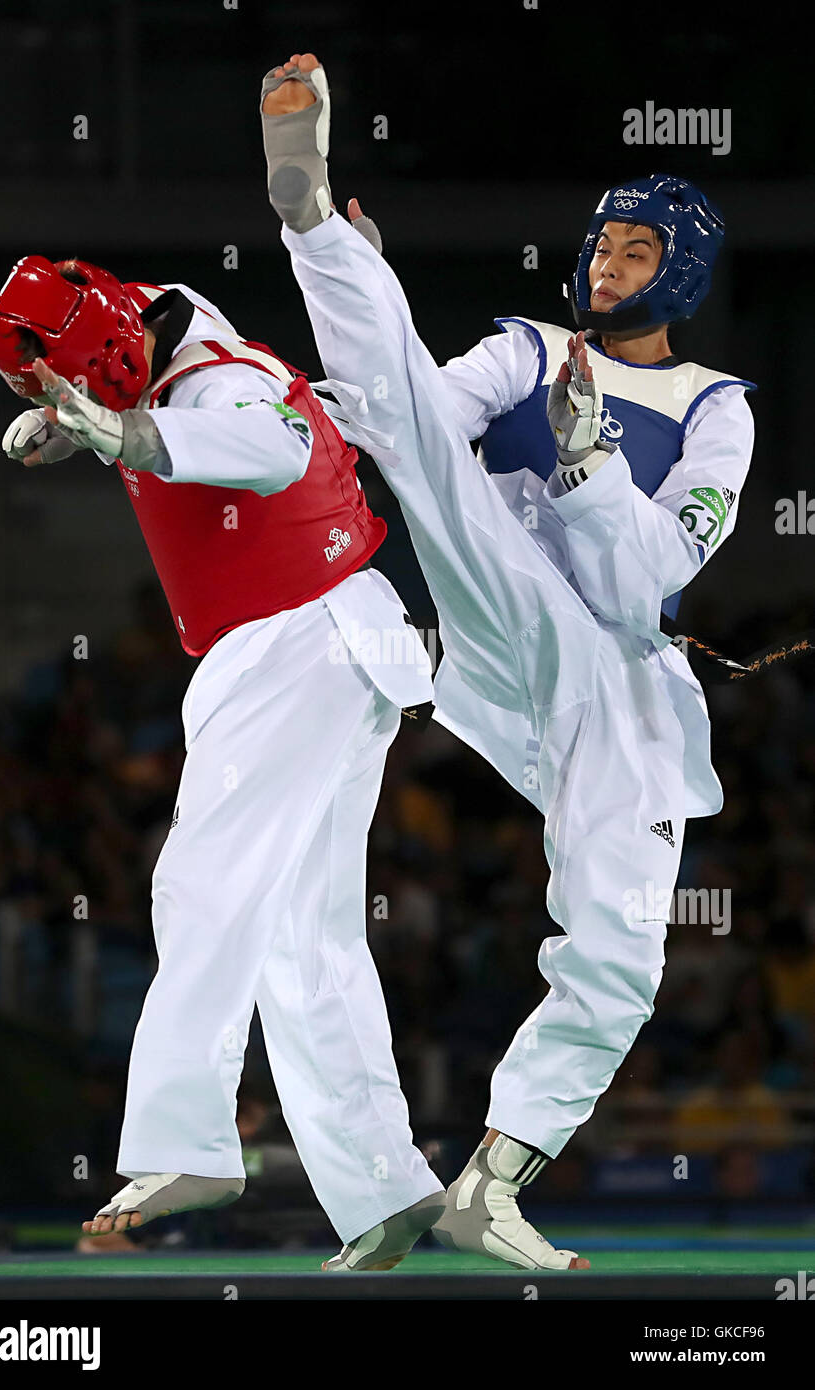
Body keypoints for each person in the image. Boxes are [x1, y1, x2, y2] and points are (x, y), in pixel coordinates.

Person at [260, 52, 756, 1270]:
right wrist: (350, 288)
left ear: (679, 270)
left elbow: (646, 578)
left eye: (634, 252)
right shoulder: (526, 351)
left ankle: (491, 1182)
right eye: (599, 245)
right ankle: (312, 222)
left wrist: (587, 473)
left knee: (622, 955)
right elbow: (408, 422)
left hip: (624, 687)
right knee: (422, 444)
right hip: (500, 626)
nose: (604, 264)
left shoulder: (714, 407)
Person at [0, 252, 447, 1268]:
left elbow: (276, 447)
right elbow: (137, 346)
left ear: (113, 362)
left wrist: (131, 433)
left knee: (201, 885)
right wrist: (79, 427)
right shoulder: (157, 323)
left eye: (72, 385)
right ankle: (384, 1187)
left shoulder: (217, 388)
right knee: (302, 938)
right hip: (335, 637)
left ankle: (185, 1142)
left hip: (291, 641)